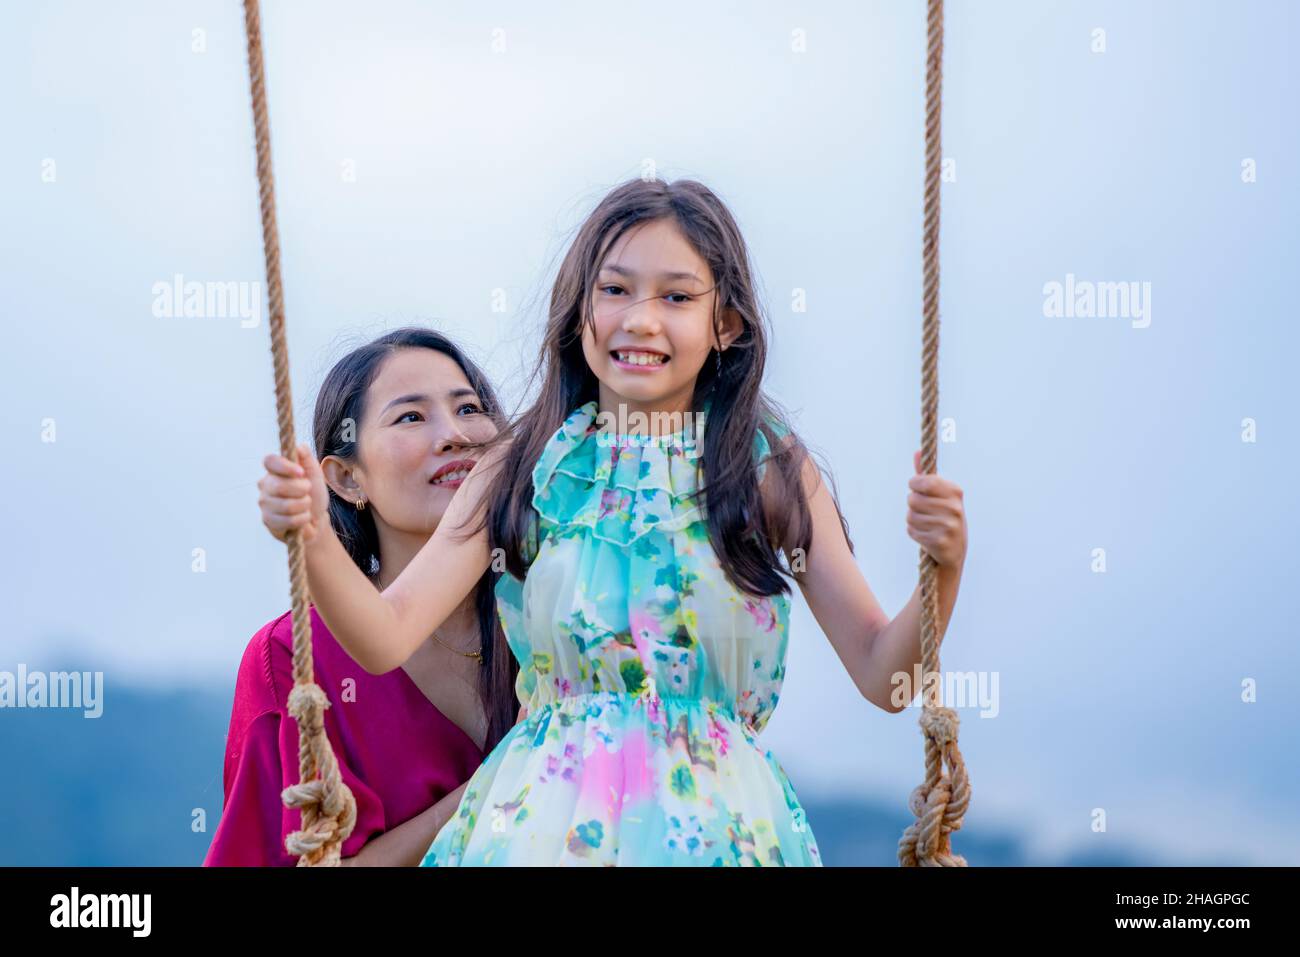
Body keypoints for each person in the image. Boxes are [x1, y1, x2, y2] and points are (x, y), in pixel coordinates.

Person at [257, 177, 969, 866]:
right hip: (545, 833)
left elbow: (883, 674)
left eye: (677, 296)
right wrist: (312, 535)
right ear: (579, 312)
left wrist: (944, 568)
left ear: (725, 325)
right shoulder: (524, 464)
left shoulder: (764, 468)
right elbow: (384, 635)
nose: (640, 319)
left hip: (719, 833)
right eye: (615, 290)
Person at [204, 327, 521, 866]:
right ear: (347, 479)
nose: (454, 435)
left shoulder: (557, 612)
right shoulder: (294, 658)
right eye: (411, 417)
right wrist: (496, 786)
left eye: (468, 409)